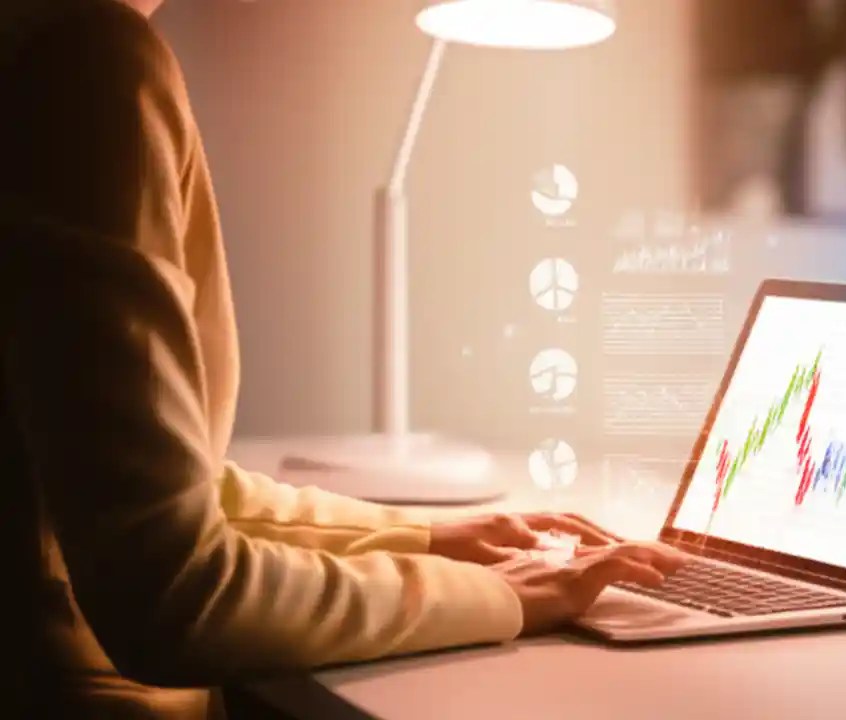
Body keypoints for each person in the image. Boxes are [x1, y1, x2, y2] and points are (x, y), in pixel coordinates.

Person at [0, 0, 686, 717]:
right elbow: (172, 593)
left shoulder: (47, 42)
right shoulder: (85, 59)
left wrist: (426, 539)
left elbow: (137, 485)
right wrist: (500, 595)